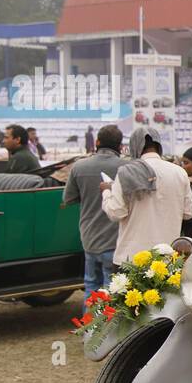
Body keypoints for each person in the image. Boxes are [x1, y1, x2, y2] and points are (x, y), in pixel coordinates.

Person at [100, 126, 192, 264]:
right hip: (167, 259)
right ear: (159, 146)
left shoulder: (126, 172)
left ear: (134, 146)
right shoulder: (179, 173)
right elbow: (188, 213)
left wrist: (107, 192)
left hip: (131, 259)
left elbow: (116, 212)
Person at [63, 125, 127, 299]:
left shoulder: (79, 167)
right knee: (112, 289)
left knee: (91, 285)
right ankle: (107, 326)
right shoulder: (127, 167)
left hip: (89, 239)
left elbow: (68, 199)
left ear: (97, 142)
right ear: (120, 146)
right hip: (115, 240)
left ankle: (89, 325)